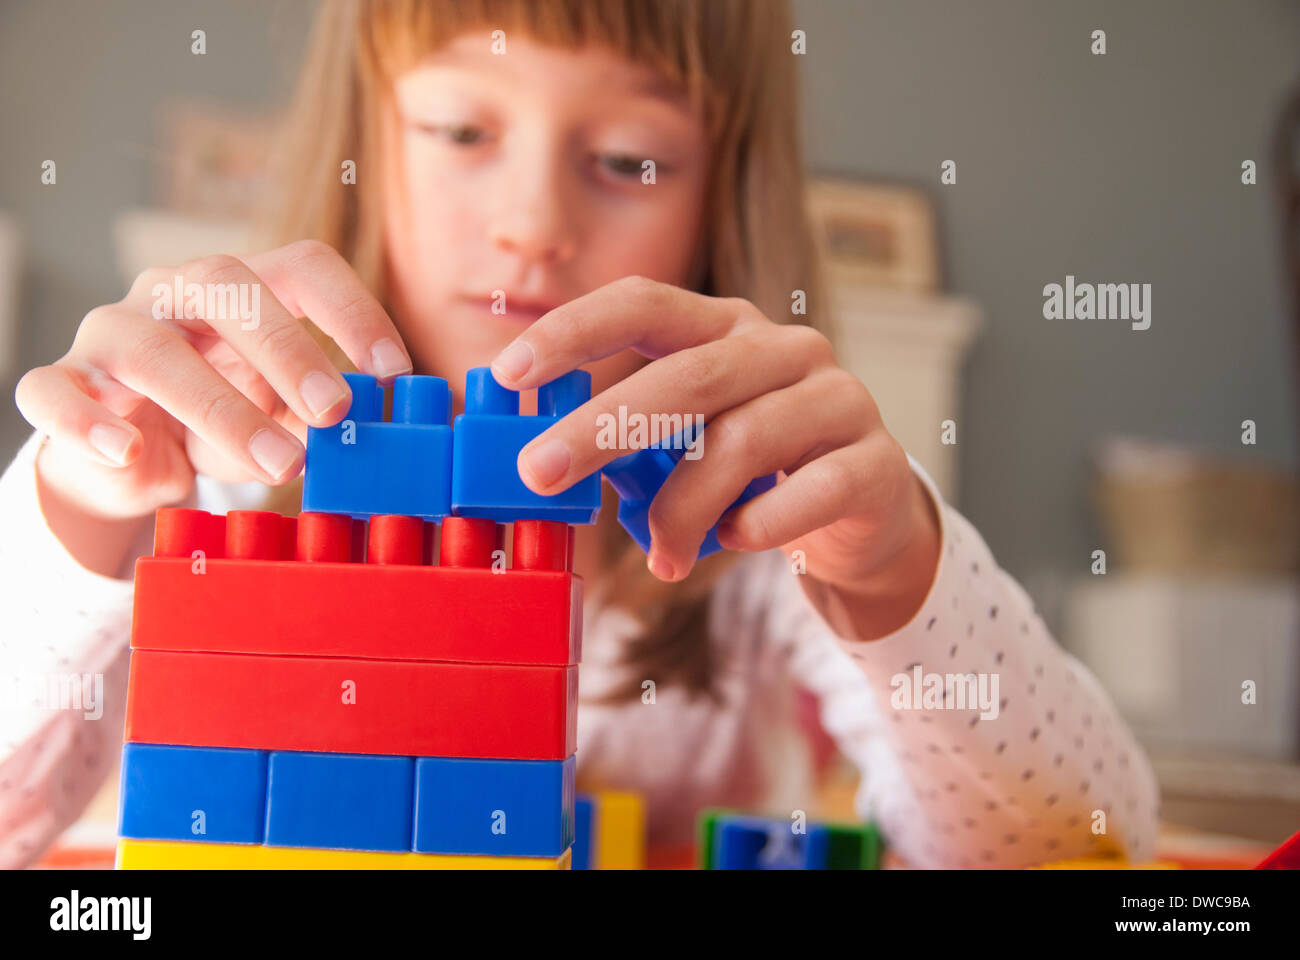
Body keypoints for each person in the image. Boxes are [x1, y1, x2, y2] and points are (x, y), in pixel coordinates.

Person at [3, 0, 1157, 868]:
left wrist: (894, 562)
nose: (533, 226)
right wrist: (84, 508)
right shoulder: (231, 495)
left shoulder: (764, 534)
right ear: (372, 151)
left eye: (626, 160)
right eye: (460, 129)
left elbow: (1086, 846)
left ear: (720, 198)